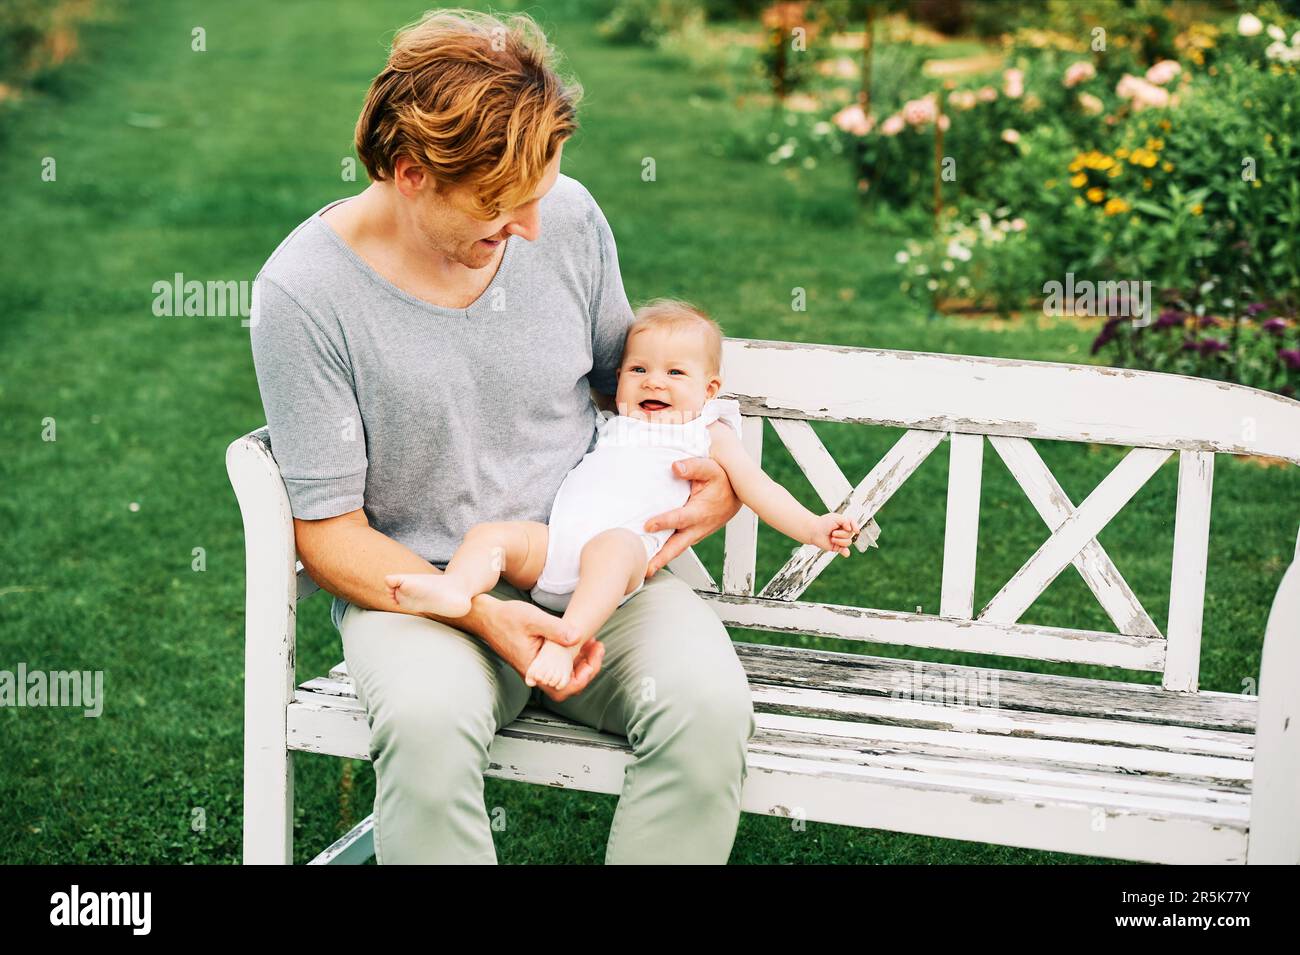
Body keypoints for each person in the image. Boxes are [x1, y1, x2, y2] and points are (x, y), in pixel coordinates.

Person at [248, 8, 757, 863]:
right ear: (412, 174)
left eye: (538, 199)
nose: (526, 229)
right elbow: (330, 534)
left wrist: (718, 478)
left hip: (591, 571)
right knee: (426, 725)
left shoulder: (565, 218)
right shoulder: (303, 293)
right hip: (427, 597)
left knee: (706, 708)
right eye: (498, 207)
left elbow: (625, 387)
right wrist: (485, 614)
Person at [386, 301, 860, 691]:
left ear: (709, 388)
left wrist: (814, 528)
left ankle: (567, 640)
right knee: (493, 535)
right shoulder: (612, 422)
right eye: (639, 369)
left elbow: (760, 489)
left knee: (611, 547)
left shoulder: (705, 432)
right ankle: (456, 588)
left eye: (675, 372)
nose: (654, 381)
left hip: (621, 559)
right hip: (554, 549)